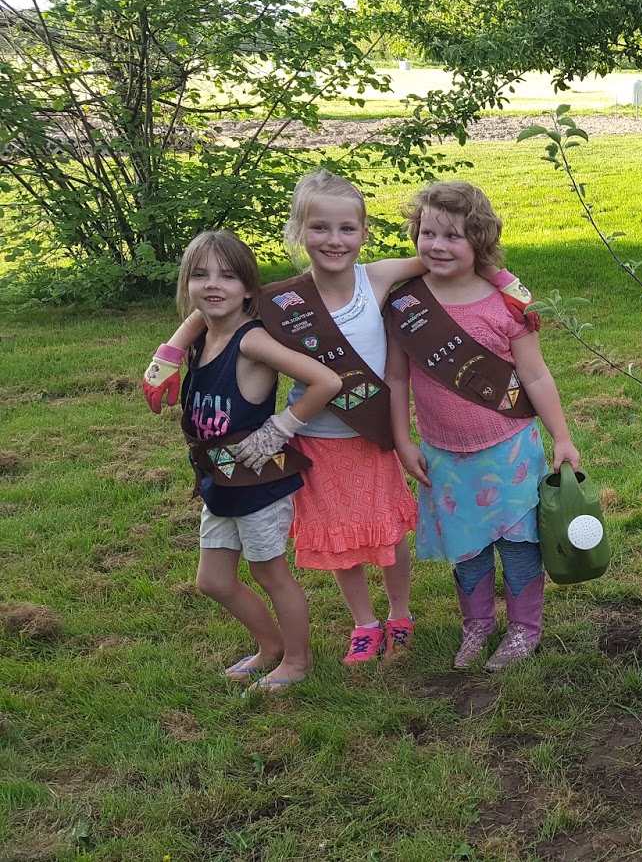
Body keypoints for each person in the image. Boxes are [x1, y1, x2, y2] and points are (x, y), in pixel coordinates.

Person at [142, 170, 541, 666]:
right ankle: (364, 623)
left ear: (364, 233)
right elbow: (211, 309)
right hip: (315, 437)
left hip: (372, 436)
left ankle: (400, 614)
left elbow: (456, 254)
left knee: (386, 532)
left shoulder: (378, 277)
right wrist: (169, 353)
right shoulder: (280, 300)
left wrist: (508, 284)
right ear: (299, 231)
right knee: (339, 537)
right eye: (319, 228)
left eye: (347, 228)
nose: (334, 240)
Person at [384, 181, 579, 671]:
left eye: (452, 236)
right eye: (427, 233)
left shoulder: (506, 305)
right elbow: (396, 377)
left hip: (510, 449)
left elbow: (535, 374)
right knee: (466, 548)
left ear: (479, 240)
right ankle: (477, 626)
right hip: (443, 453)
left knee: (518, 544)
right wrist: (402, 441)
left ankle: (524, 629)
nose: (436, 245)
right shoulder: (405, 306)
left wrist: (562, 437)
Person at [172, 231, 342, 693]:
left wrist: (281, 427)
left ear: (248, 288)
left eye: (227, 276)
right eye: (201, 275)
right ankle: (270, 648)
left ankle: (298, 661)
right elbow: (195, 320)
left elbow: (326, 381)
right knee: (213, 581)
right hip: (219, 479)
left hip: (257, 482)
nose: (213, 284)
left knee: (270, 572)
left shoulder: (251, 341)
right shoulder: (203, 335)